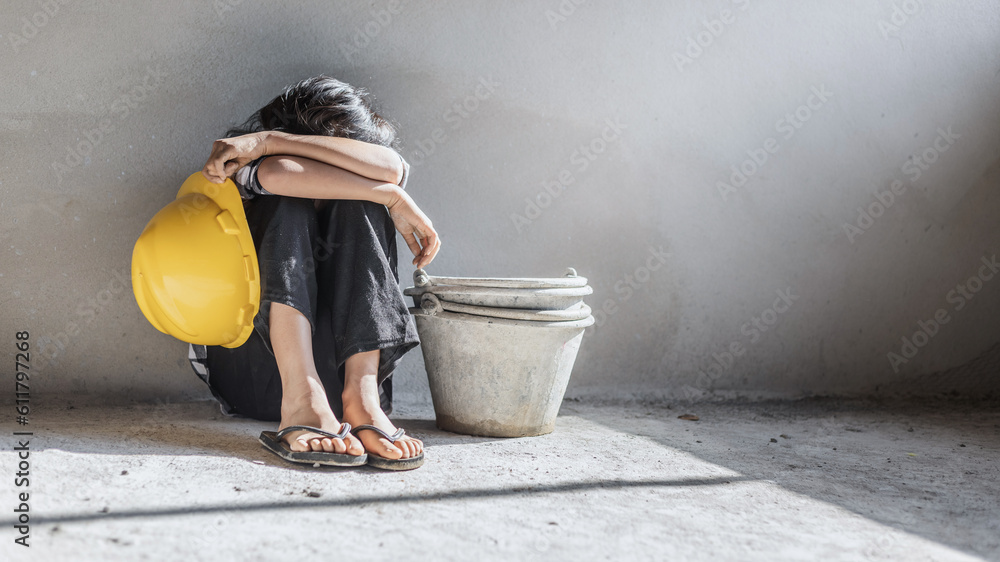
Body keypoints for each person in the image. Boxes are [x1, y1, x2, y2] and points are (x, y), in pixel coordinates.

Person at [193, 76, 440, 470]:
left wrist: (386, 193)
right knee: (287, 203)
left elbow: (390, 167)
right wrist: (267, 145)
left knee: (361, 206)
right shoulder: (244, 166)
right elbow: (279, 173)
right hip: (262, 376)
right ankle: (302, 400)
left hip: (342, 377)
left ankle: (362, 401)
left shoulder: (288, 150)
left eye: (341, 152)